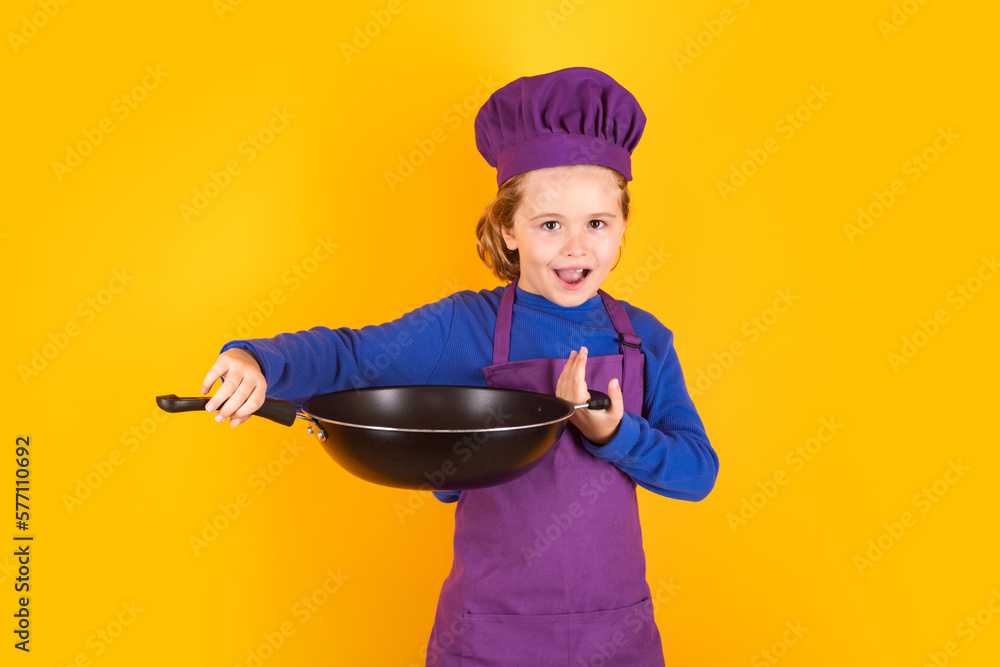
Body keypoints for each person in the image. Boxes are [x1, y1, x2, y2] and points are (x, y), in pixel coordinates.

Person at [199, 67, 719, 666]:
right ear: (508, 229)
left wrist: (613, 432)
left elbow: (696, 473)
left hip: (615, 633)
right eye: (550, 224)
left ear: (623, 226)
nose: (577, 247)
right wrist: (257, 359)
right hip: (491, 634)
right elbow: (352, 356)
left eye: (597, 223)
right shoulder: (463, 326)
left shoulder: (643, 339)